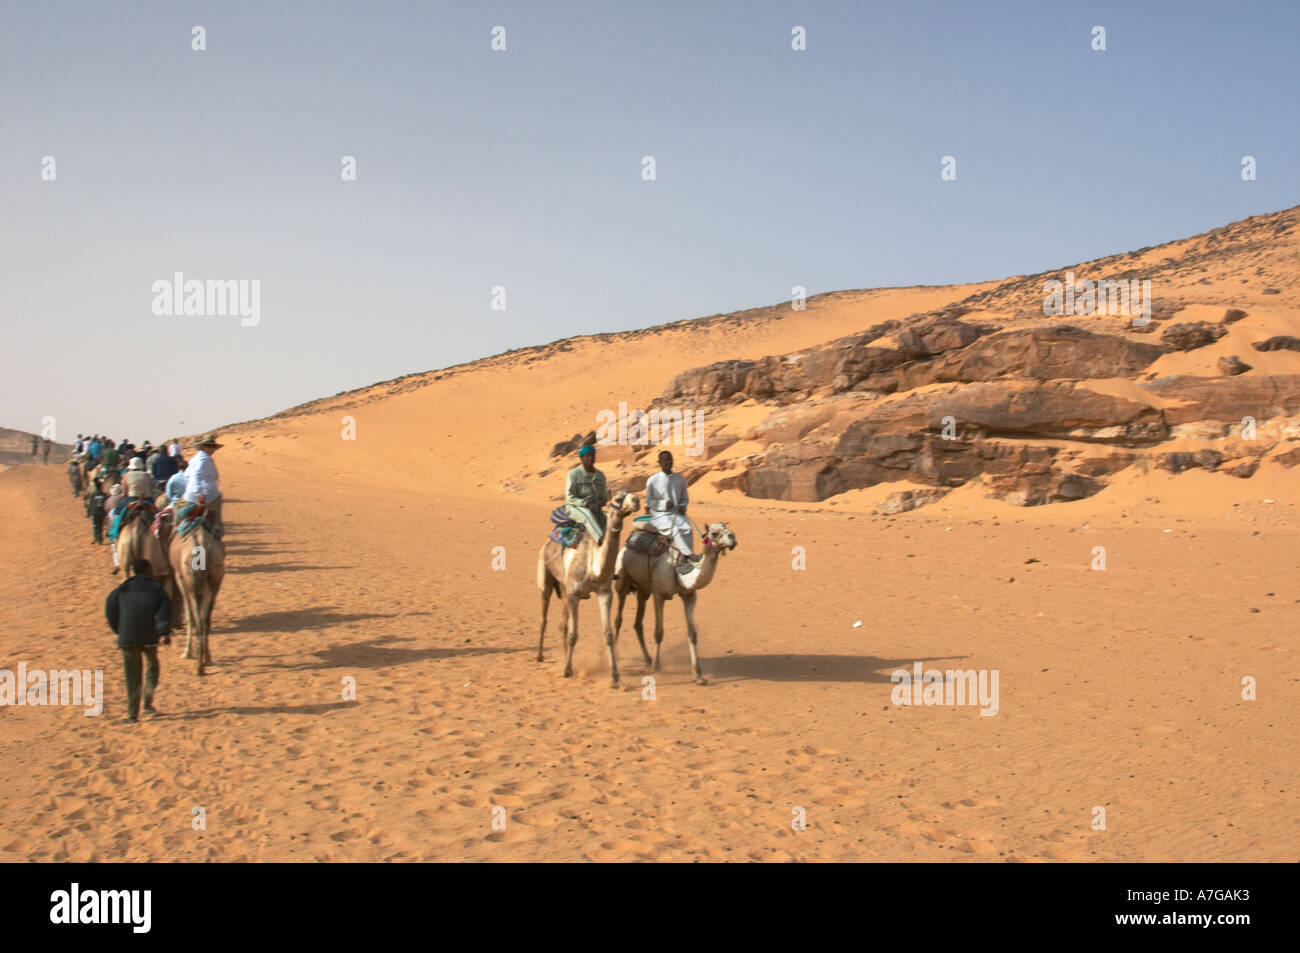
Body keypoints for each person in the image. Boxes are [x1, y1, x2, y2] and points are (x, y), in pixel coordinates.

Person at [105, 558, 172, 724]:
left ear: (133, 571)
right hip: (149, 636)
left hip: (127, 637)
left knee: (132, 676)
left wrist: (119, 630)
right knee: (152, 666)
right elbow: (164, 611)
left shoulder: (122, 588)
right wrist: (163, 632)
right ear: (149, 571)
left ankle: (132, 714)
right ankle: (148, 703)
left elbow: (110, 607)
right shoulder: (157, 588)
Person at [645, 450, 700, 572]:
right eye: (665, 460)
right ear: (659, 462)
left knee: (687, 528)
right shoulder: (652, 480)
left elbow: (685, 499)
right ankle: (689, 556)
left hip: (676, 514)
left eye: (670, 459)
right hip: (660, 515)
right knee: (674, 529)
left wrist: (682, 505)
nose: (668, 462)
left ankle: (682, 560)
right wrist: (664, 504)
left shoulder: (680, 479)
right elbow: (649, 502)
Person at [564, 444, 609, 542]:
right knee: (588, 515)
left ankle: (608, 545)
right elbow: (570, 497)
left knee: (608, 520)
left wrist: (599, 504)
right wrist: (586, 504)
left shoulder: (600, 476)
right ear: (581, 458)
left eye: (592, 455)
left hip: (594, 508)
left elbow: (604, 497)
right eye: (587, 456)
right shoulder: (574, 474)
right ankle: (600, 540)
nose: (590, 458)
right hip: (575, 507)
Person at [182, 434, 224, 527]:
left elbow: (186, 476)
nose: (211, 448)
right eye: (208, 446)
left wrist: (192, 489)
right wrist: (198, 493)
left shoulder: (194, 459)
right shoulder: (205, 459)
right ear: (203, 447)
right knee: (218, 523)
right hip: (208, 496)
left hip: (190, 496)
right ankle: (217, 531)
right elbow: (195, 475)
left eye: (212, 446)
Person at [86, 479, 108, 544]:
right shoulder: (104, 495)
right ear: (101, 487)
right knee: (100, 526)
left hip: (94, 512)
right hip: (101, 512)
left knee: (95, 526)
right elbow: (106, 504)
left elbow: (90, 504)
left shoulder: (93, 495)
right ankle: (100, 539)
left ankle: (96, 538)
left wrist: (88, 512)